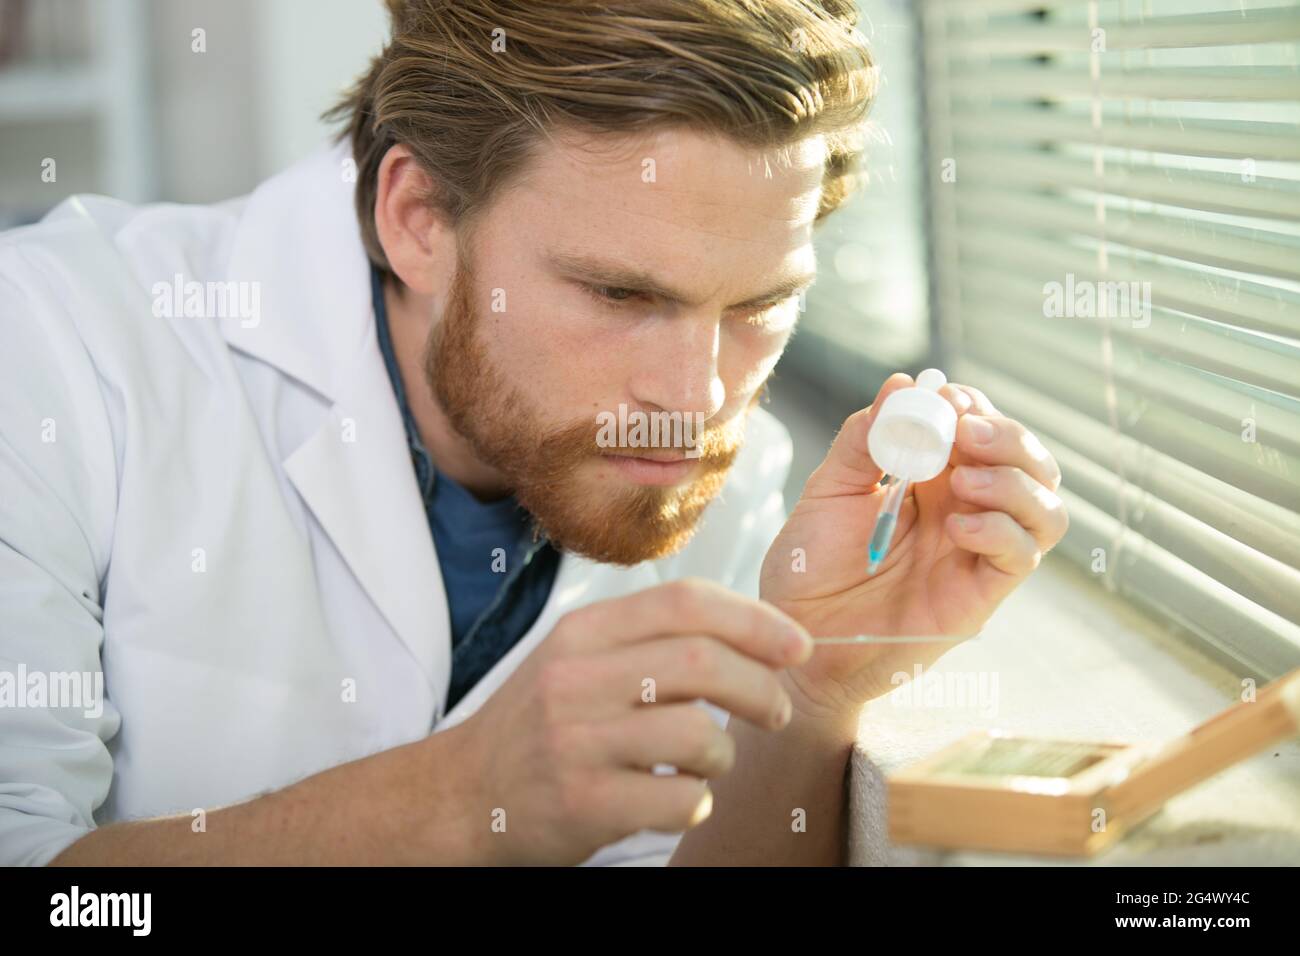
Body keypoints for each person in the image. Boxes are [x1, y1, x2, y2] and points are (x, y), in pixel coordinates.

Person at [0, 0, 1066, 866]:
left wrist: (813, 681)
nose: (690, 398)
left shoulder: (731, 488)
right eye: (616, 292)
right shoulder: (54, 347)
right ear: (417, 216)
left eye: (756, 307)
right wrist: (457, 799)